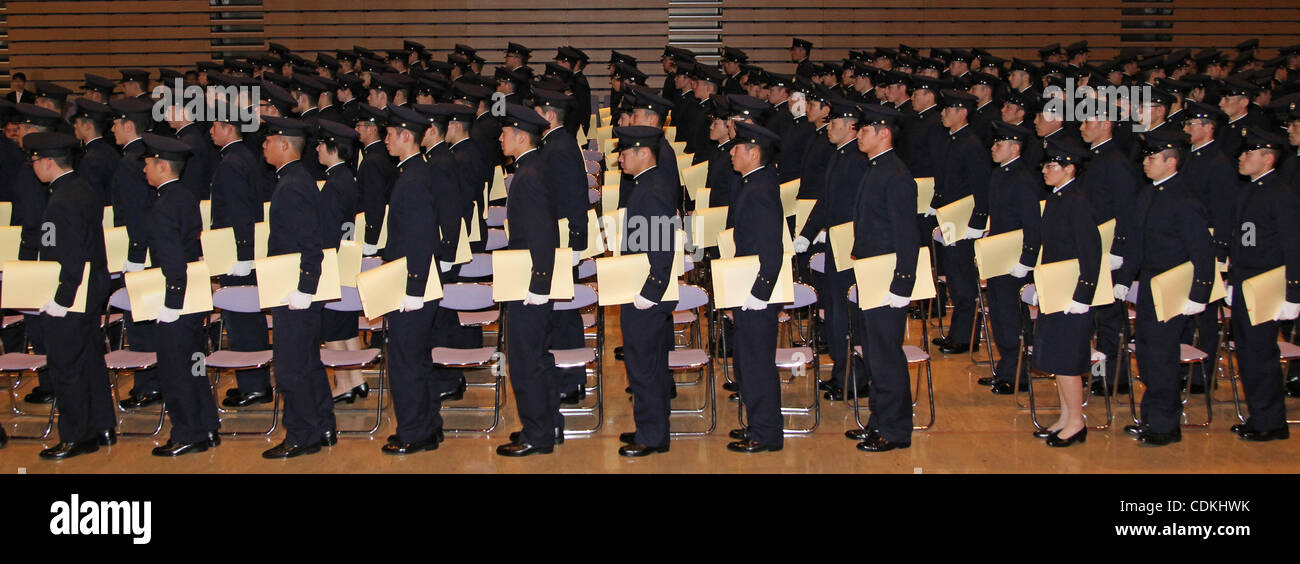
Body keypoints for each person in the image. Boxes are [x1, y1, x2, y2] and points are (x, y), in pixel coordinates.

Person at [1112, 132, 1213, 446]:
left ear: (1171, 162)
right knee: (1145, 352)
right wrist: (1124, 279)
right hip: (1149, 285)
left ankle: (1166, 424)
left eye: (1152, 158)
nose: (1145, 162)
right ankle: (1152, 417)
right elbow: (1136, 243)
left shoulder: (1184, 200)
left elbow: (1203, 252)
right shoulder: (1149, 194)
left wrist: (1199, 294)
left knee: (1161, 356)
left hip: (1172, 287)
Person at [25, 132, 114, 460]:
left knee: (66, 365)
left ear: (48, 162)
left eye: (35, 160)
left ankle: (78, 436)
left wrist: (61, 298)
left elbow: (69, 255)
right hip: (91, 288)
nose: (33, 167)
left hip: (72, 293)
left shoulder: (61, 200)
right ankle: (102, 425)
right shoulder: (81, 188)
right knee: (90, 359)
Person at [138, 133, 222, 456]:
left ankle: (187, 432)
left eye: (147, 163)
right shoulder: (186, 197)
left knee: (176, 370)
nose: (144, 169)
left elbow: (172, 262)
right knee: (195, 365)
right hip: (194, 295)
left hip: (177, 297)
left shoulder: (162, 206)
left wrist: (170, 304)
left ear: (162, 166)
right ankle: (207, 426)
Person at [381, 105, 455, 455]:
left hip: (414, 285)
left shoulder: (412, 179)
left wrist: (412, 288)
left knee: (406, 362)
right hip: (418, 282)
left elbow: (422, 237)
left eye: (389, 134)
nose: (385, 139)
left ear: (405, 137)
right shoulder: (413, 173)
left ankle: (413, 431)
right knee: (418, 359)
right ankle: (427, 427)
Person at [259, 116, 334, 459]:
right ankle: (323, 425)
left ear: (284, 145)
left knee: (290, 366)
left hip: (295, 291)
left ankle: (302, 435)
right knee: (307, 361)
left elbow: (310, 243)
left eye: (268, 140)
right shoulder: (294, 180)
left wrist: (305, 288)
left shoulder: (292, 185)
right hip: (295, 288)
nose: (263, 145)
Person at [847, 104, 920, 452]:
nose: (858, 134)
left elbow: (908, 234)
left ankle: (895, 430)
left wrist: (903, 283)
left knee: (887, 356)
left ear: (884, 133)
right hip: (872, 275)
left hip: (888, 280)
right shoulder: (876, 168)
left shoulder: (896, 175)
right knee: (875, 355)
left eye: (865, 130)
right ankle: (879, 421)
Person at [496, 103, 563, 457]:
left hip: (529, 285)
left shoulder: (529, 176)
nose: (500, 137)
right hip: (528, 281)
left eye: (505, 133)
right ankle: (547, 425)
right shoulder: (532, 168)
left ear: (522, 137)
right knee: (536, 358)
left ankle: (538, 435)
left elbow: (541, 238)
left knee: (525, 361)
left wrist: (538, 287)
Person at [1226, 129, 1299, 442]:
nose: (1241, 158)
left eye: (1249, 153)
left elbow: (1293, 244)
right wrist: (1232, 276)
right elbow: (1243, 238)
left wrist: (1293, 293)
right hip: (1245, 279)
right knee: (1246, 351)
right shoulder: (1248, 190)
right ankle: (1259, 415)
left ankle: (1271, 421)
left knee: (1261, 354)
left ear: (1268, 158)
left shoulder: (1281, 194)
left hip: (1268, 281)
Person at [612, 125, 679, 457]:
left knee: (645, 365)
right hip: (639, 287)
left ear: (643, 153)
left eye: (625, 153)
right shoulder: (647, 184)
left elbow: (663, 247)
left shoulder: (651, 189)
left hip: (648, 293)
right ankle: (650, 427)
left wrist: (651, 290)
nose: (620, 159)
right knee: (645, 363)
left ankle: (652, 435)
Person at [1033, 136, 1101, 447]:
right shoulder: (1059, 198)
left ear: (1069, 169)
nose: (1045, 170)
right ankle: (1064, 416)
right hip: (1057, 291)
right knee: (1058, 359)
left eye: (1051, 165)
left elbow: (1091, 252)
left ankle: (1076, 421)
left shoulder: (1078, 202)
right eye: (1045, 164)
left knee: (1069, 360)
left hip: (1073, 295)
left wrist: (1082, 297)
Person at [725, 121, 786, 454]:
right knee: (748, 362)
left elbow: (771, 250)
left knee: (757, 363)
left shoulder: (760, 189)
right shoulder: (754, 183)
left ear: (753, 152)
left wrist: (759, 294)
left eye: (738, 148)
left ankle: (766, 433)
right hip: (748, 288)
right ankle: (758, 425)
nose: (732, 152)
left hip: (757, 293)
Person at [801, 97, 868, 401]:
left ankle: (855, 378)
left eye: (835, 124)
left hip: (850, 246)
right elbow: (825, 200)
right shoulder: (839, 155)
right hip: (834, 244)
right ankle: (841, 371)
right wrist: (808, 232)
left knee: (850, 314)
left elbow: (856, 208)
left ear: (851, 127)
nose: (829, 128)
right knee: (835, 313)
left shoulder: (858, 159)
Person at [534, 89, 590, 404]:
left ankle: (570, 380)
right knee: (560, 314)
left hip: (562, 243)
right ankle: (569, 378)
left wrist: (575, 245)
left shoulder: (559, 147)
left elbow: (573, 200)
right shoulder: (556, 144)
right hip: (558, 241)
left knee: (564, 315)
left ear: (550, 115)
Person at [978, 121, 1042, 395]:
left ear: (1015, 148)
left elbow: (1033, 224)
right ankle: (1006, 368)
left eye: (999, 144)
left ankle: (1019, 373)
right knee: (1001, 315)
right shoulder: (999, 175)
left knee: (1014, 319)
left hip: (1015, 260)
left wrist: (1027, 259)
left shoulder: (1023, 180)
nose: (993, 148)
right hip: (998, 255)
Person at [929, 90, 993, 355]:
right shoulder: (952, 141)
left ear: (962, 112)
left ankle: (966, 337)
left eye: (947, 109)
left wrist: (977, 222)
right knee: (954, 278)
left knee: (964, 280)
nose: (942, 113)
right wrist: (934, 206)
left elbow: (981, 187)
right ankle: (957, 332)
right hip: (950, 219)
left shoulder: (972, 145)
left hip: (964, 222)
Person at [313, 119, 366, 403]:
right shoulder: (347, 177)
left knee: (332, 324)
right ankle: (356, 378)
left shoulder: (333, 185)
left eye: (321, 144)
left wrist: (322, 265)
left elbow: (328, 232)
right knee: (345, 322)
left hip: (333, 260)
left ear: (333, 148)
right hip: (348, 257)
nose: (317, 149)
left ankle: (344, 382)